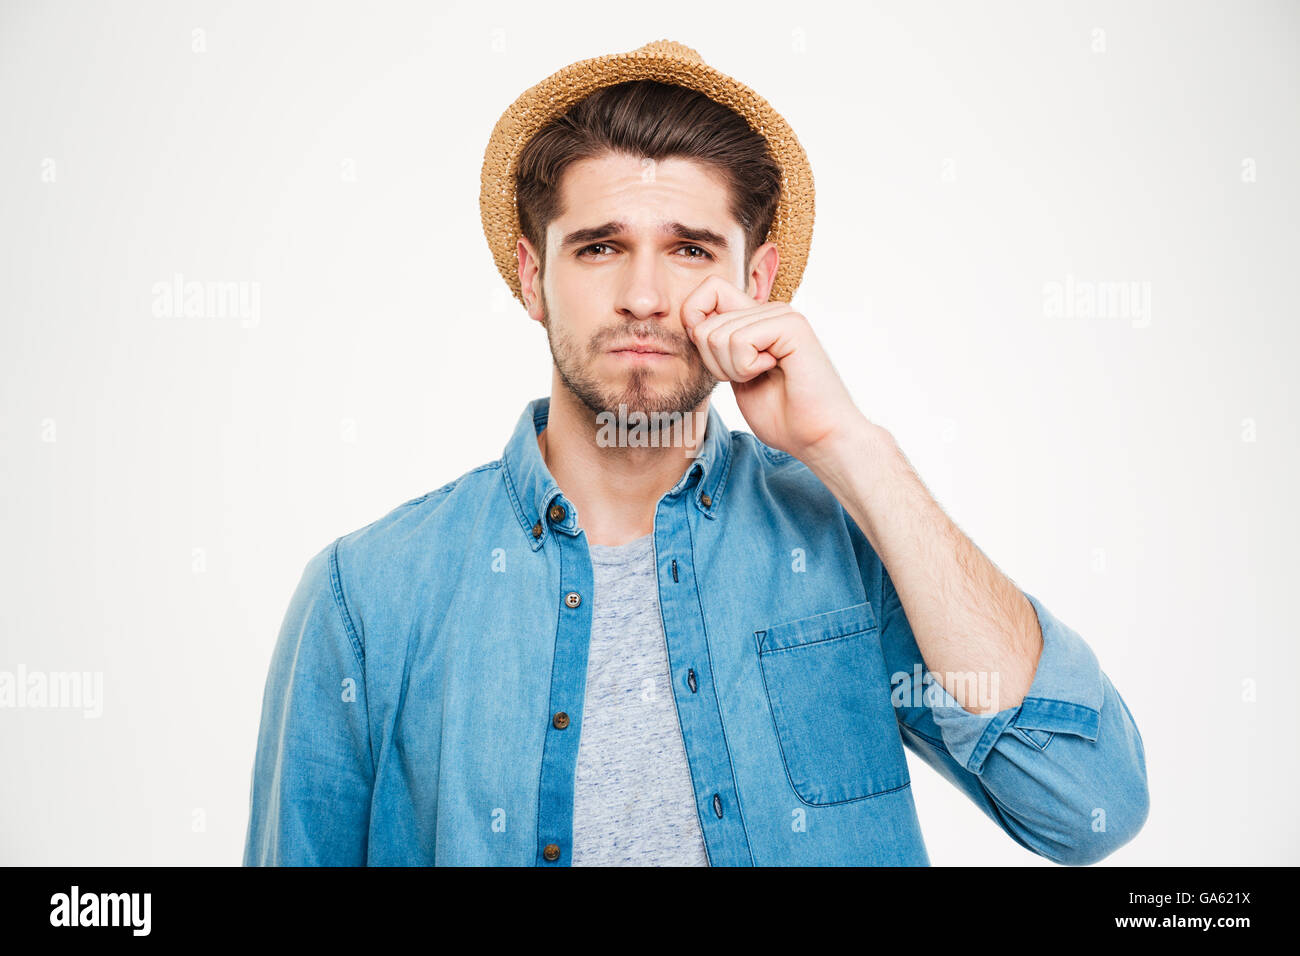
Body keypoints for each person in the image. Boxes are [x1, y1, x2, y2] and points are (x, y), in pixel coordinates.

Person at [242, 39, 1149, 866]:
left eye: (689, 250)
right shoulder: (367, 598)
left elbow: (1088, 804)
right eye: (599, 247)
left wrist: (852, 448)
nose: (643, 295)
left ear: (755, 283)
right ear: (532, 277)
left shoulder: (844, 547)